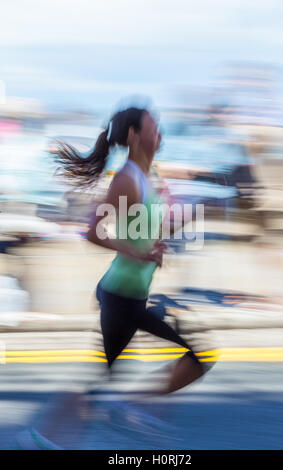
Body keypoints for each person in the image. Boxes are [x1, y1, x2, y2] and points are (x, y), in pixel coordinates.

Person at [16, 106, 209, 449]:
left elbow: (147, 230)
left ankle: (52, 435)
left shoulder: (149, 177)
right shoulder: (126, 179)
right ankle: (103, 416)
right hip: (121, 294)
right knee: (195, 357)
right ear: (134, 136)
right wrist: (137, 253)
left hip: (129, 294)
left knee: (108, 376)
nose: (159, 133)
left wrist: (174, 228)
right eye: (153, 127)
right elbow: (92, 232)